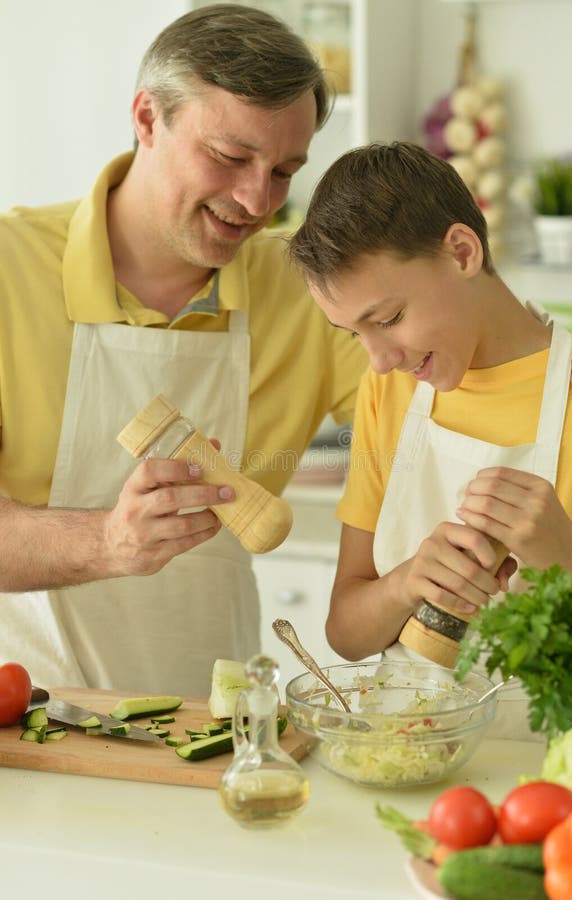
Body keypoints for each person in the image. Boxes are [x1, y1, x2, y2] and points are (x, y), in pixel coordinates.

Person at [0, 5, 368, 696]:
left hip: (210, 720)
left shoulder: (304, 289)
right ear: (146, 118)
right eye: (230, 157)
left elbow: (448, 392)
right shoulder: (7, 268)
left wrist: (557, 359)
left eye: (285, 170)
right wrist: (109, 541)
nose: (257, 199)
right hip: (24, 722)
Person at [288, 141, 572, 740]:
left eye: (390, 319)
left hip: (556, 776)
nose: (379, 360)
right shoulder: (392, 394)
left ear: (462, 251)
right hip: (405, 754)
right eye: (355, 333)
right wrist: (407, 582)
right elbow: (345, 633)